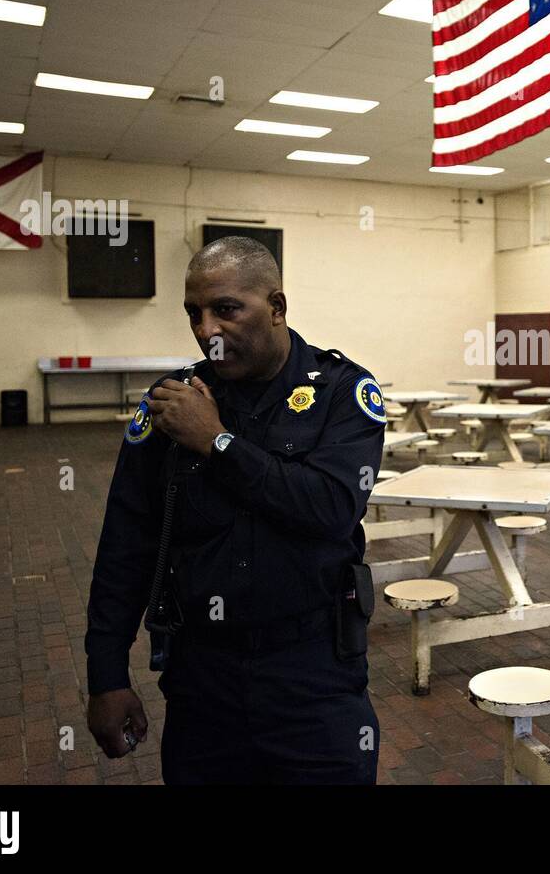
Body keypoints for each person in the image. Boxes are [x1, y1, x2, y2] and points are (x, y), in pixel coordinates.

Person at [84, 236, 386, 783]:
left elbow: (330, 509)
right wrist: (105, 675)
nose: (206, 330)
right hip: (203, 677)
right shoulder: (172, 401)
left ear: (276, 308)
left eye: (226, 309)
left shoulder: (342, 392)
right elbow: (127, 541)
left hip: (313, 675)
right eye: (193, 314)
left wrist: (217, 443)